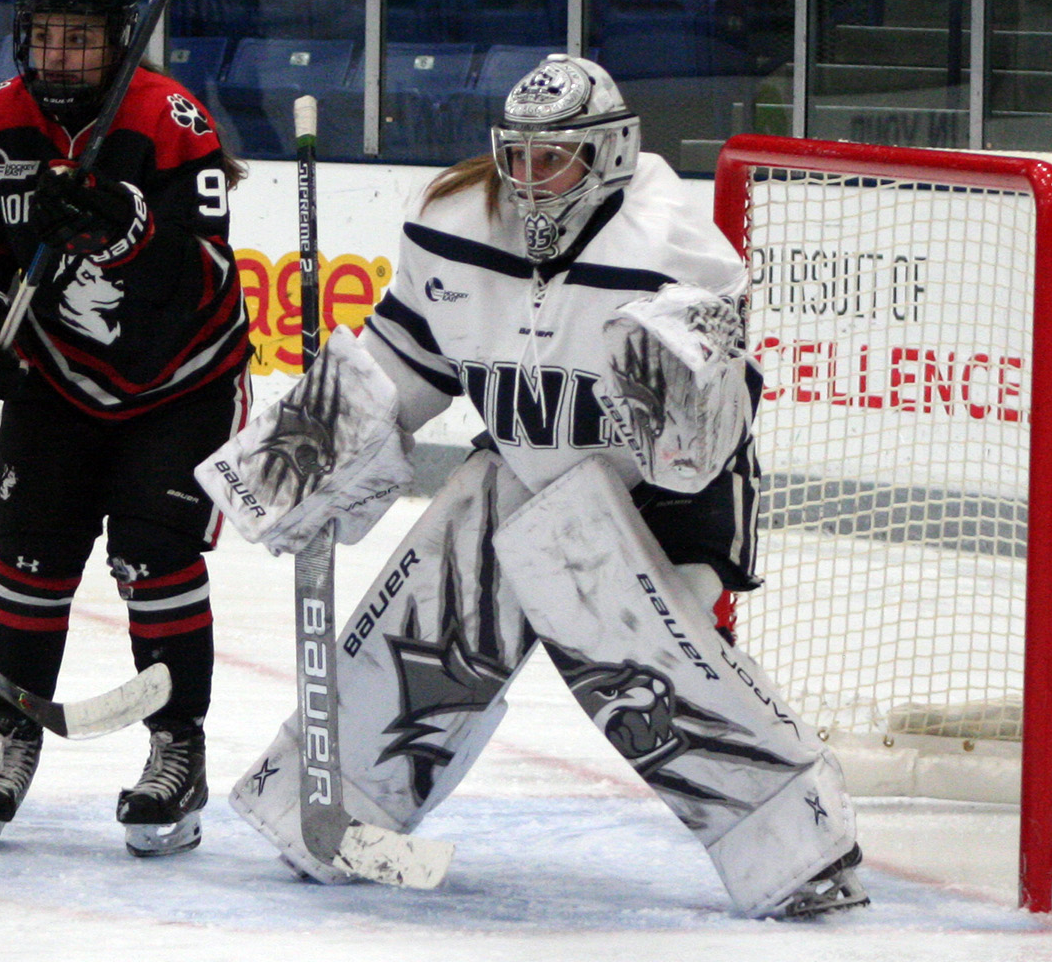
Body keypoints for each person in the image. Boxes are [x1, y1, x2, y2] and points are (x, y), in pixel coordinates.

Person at [200, 55, 870, 917]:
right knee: (446, 595)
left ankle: (799, 844)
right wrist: (297, 462)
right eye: (515, 158)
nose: (526, 181)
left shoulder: (677, 254)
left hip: (667, 502)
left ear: (613, 154)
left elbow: (703, 448)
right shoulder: (455, 225)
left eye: (552, 160)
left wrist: (668, 383)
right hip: (528, 466)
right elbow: (401, 364)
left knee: (630, 659)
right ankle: (329, 805)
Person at [0, 0, 250, 857]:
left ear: (120, 39)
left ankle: (175, 747)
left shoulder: (172, 120)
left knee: (155, 557)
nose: (62, 54)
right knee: (29, 557)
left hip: (182, 379)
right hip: (58, 379)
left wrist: (126, 228)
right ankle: (14, 732)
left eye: (81, 37)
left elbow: (200, 279)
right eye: (46, 35)